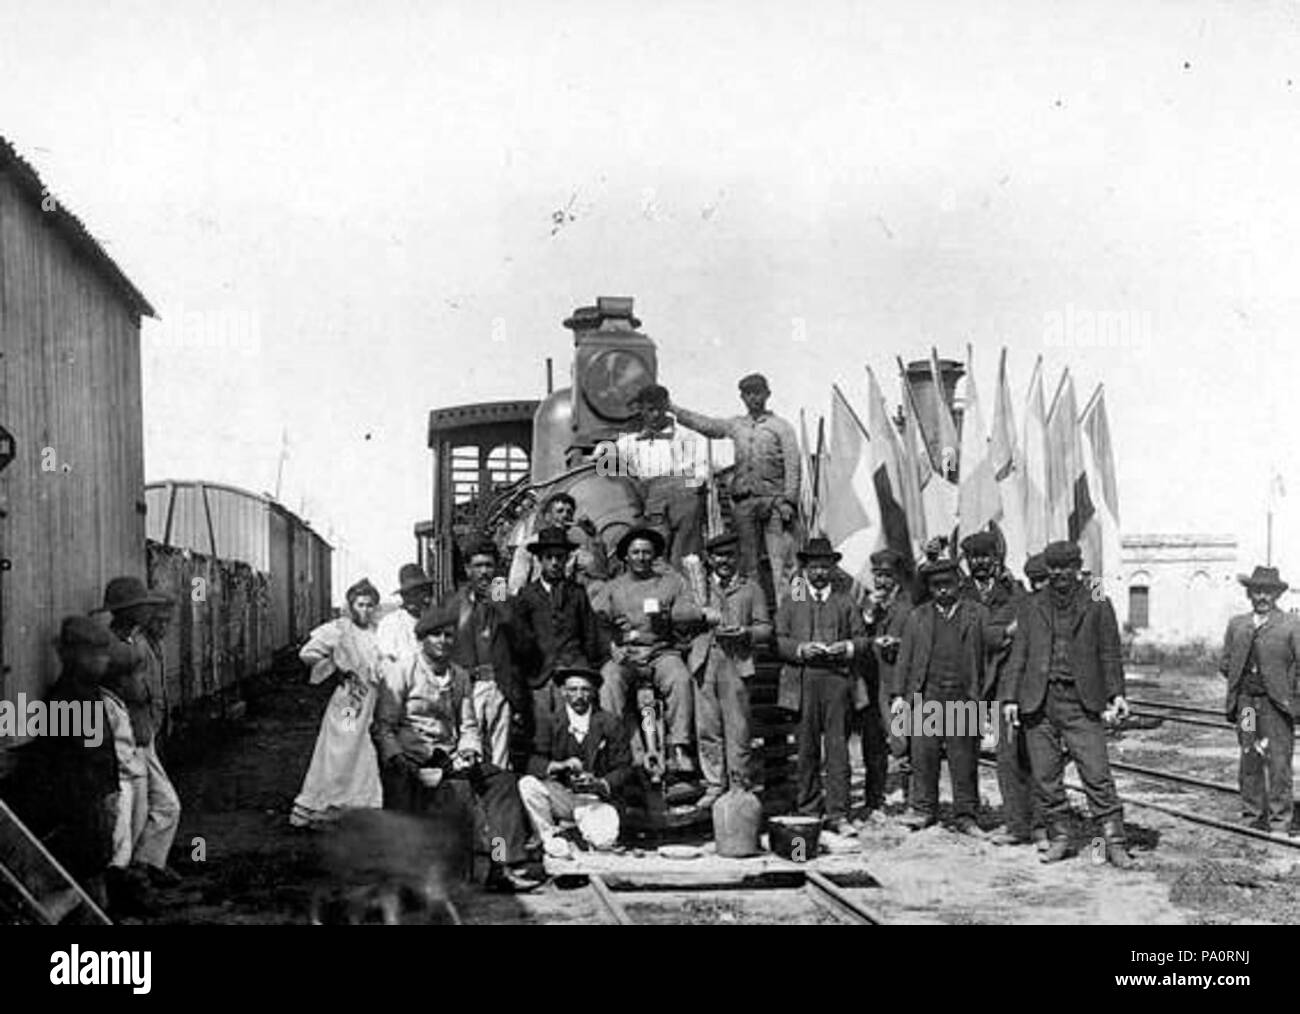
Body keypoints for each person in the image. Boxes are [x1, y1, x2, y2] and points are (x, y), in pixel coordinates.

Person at [372, 603, 541, 893]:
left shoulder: (459, 676)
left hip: (449, 759)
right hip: (412, 759)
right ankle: (406, 878)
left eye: (449, 636)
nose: (443, 642)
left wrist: (469, 751)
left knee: (501, 783)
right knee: (418, 792)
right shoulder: (402, 671)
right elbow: (383, 727)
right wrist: (401, 760)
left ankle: (501, 866)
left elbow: (469, 725)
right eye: (435, 636)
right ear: (422, 639)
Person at [1003, 540, 1133, 867]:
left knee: (1097, 774)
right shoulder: (1032, 605)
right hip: (1039, 702)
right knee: (1046, 778)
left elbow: (1109, 652)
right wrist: (1009, 698)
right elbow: (1019, 654)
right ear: (1048, 569)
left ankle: (1113, 843)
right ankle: (1061, 838)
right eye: (1055, 567)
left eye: (1067, 566)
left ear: (1078, 566)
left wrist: (1116, 694)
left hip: (1081, 702)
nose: (1061, 573)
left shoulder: (1097, 600)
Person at [672, 373, 801, 605]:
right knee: (748, 565)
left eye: (758, 392)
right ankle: (755, 612)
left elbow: (793, 465)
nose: (754, 398)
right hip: (744, 504)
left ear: (767, 394)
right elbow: (708, 426)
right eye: (748, 393)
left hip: (774, 503)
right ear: (742, 397)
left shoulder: (781, 428)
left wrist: (789, 501)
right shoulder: (736, 425)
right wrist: (675, 410)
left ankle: (788, 614)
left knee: (783, 563)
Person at [776, 537, 871, 838]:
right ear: (805, 569)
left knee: (837, 749)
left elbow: (863, 639)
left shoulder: (845, 601)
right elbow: (778, 640)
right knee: (806, 750)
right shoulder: (792, 601)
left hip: (838, 680)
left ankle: (838, 813)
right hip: (803, 681)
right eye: (814, 567)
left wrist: (846, 647)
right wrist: (801, 649)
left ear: (833, 567)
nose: (819, 573)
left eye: (824, 566)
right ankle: (808, 811)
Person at [591, 527, 704, 776]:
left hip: (661, 652)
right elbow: (596, 623)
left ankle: (679, 747)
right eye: (636, 552)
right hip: (626, 654)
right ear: (626, 557)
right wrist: (612, 648)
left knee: (680, 679)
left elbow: (688, 612)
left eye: (646, 552)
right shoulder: (612, 588)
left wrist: (671, 616)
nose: (641, 557)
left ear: (654, 556)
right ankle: (615, 745)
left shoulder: (672, 583)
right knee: (609, 681)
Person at [892, 559, 991, 836]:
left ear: (959, 583)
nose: (943, 591)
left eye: (947, 584)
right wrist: (900, 695)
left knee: (965, 760)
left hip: (964, 697)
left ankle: (966, 815)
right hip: (928, 697)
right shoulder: (918, 616)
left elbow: (989, 655)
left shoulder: (978, 614)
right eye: (936, 586)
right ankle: (923, 810)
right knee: (924, 757)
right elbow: (905, 658)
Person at [95, 577, 183, 888]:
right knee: (151, 807)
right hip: (130, 741)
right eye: (144, 607)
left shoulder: (132, 642)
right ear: (129, 611)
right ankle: (136, 871)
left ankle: (143, 867)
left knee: (144, 808)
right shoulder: (119, 649)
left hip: (141, 737)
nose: (149, 612)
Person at [39, 617, 122, 912]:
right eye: (98, 655)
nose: (105, 661)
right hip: (82, 801)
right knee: (89, 865)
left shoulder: (80, 694)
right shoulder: (71, 699)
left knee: (93, 862)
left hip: (90, 797)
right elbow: (83, 758)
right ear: (78, 656)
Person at [290, 578, 385, 828]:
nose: (365, 610)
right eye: (360, 604)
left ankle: (359, 805)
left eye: (370, 605)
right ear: (351, 605)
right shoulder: (339, 629)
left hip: (372, 700)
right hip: (349, 703)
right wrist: (335, 668)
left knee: (362, 748)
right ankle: (327, 804)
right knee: (344, 747)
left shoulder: (377, 632)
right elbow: (307, 653)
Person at [686, 531, 771, 809]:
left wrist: (745, 633)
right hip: (704, 661)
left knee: (738, 728)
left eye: (730, 555)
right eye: (719, 555)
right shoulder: (696, 587)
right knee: (707, 726)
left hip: (736, 662)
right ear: (709, 559)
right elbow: (680, 619)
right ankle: (714, 784)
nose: (725, 561)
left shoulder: (751, 588)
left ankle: (738, 783)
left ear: (738, 557)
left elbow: (766, 628)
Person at [958, 532, 1030, 846]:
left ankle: (1018, 823)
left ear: (997, 558)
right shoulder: (957, 592)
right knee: (962, 751)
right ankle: (966, 816)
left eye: (986, 556)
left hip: (1003, 681)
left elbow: (1026, 624)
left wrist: (994, 633)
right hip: (966, 680)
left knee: (1008, 753)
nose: (980, 563)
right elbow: (974, 633)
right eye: (974, 557)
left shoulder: (1015, 591)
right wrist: (1003, 632)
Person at [518, 666, 633, 859]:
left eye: (585, 690)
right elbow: (532, 760)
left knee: (603, 840)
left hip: (595, 800)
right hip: (563, 796)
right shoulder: (552, 722)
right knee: (528, 785)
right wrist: (557, 766)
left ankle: (580, 836)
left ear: (594, 692)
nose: (579, 696)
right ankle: (550, 836)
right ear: (563, 692)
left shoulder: (610, 723)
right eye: (572, 690)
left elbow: (625, 767)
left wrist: (601, 783)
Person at [441, 539, 536, 770]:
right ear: (467, 569)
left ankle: (500, 799)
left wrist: (500, 602)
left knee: (500, 754)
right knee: (469, 749)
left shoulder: (507, 601)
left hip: (499, 684)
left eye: (489, 566)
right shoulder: (455, 603)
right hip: (467, 687)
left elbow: (525, 645)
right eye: (478, 565)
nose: (484, 572)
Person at [1221, 565, 1300, 834]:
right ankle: (1251, 816)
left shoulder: (1291, 625)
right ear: (1249, 594)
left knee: (1278, 761)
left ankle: (1280, 821)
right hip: (1247, 704)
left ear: (1276, 594)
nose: (1262, 596)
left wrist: (1293, 701)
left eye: (1267, 591)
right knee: (1249, 756)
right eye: (1257, 591)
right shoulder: (1237, 625)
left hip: (1275, 706)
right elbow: (1226, 662)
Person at [513, 527, 606, 724]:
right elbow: (520, 640)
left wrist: (588, 669)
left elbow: (590, 634)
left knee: (577, 720)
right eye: (549, 557)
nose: (555, 563)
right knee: (542, 723)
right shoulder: (527, 595)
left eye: (560, 557)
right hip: (541, 674)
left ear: (567, 560)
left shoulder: (577, 593)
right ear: (539, 560)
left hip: (574, 669)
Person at [614, 384, 710, 571]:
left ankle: (688, 597)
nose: (656, 414)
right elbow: (608, 459)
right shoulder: (630, 443)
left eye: (660, 408)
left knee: (687, 556)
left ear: (667, 406)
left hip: (684, 496)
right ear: (641, 411)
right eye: (650, 410)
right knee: (656, 552)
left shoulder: (685, 436)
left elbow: (701, 470)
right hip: (653, 500)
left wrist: (687, 489)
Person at [863, 547, 912, 816]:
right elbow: (858, 634)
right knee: (873, 744)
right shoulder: (869, 605)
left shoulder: (907, 607)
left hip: (896, 681)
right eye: (877, 575)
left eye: (886, 575)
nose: (881, 581)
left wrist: (898, 643)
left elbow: (917, 643)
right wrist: (869, 614)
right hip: (871, 682)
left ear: (897, 578)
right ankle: (874, 799)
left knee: (902, 741)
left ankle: (913, 798)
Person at [508, 492, 610, 594]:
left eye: (569, 512)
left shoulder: (574, 548)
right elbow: (516, 587)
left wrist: (593, 536)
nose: (565, 515)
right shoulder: (527, 547)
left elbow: (600, 572)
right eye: (560, 511)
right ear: (547, 517)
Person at [377, 564, 435, 666]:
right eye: (416, 594)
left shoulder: (436, 622)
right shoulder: (391, 624)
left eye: (427, 592)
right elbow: (388, 664)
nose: (426, 598)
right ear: (405, 596)